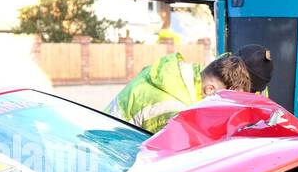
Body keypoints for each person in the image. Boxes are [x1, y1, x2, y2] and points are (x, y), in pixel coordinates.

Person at [106, 44, 272, 134]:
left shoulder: (190, 76)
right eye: (225, 100)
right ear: (209, 90)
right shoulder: (173, 110)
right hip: (110, 157)